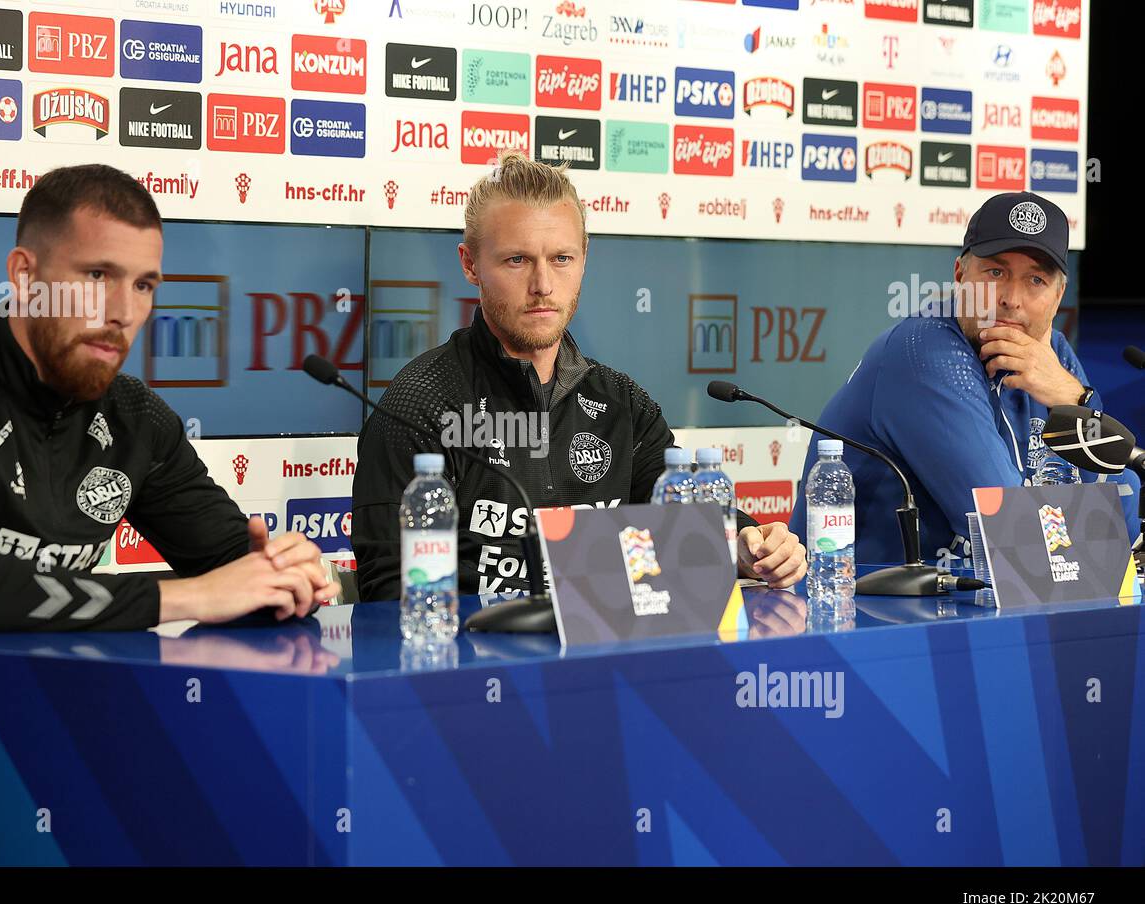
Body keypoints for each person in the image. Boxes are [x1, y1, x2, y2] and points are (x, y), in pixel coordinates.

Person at [0, 164, 338, 635]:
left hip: (60, 703)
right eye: (98, 276)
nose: (123, 312)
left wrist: (283, 575)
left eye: (144, 285)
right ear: (24, 275)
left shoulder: (137, 418)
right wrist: (186, 598)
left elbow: (232, 564)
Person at [353, 152, 806, 601]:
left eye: (562, 258)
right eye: (517, 260)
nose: (543, 285)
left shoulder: (622, 404)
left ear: (584, 258)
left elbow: (691, 524)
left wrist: (749, 545)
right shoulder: (419, 405)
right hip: (476, 665)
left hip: (605, 664)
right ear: (470, 264)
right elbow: (389, 593)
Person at [788, 191, 1140, 567]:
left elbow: (1124, 523)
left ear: (1057, 297)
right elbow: (1007, 530)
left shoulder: (1052, 353)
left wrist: (1076, 398)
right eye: (996, 273)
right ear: (960, 275)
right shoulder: (923, 351)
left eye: (1035, 280)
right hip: (866, 610)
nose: (1012, 299)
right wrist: (1083, 532)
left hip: (985, 605)